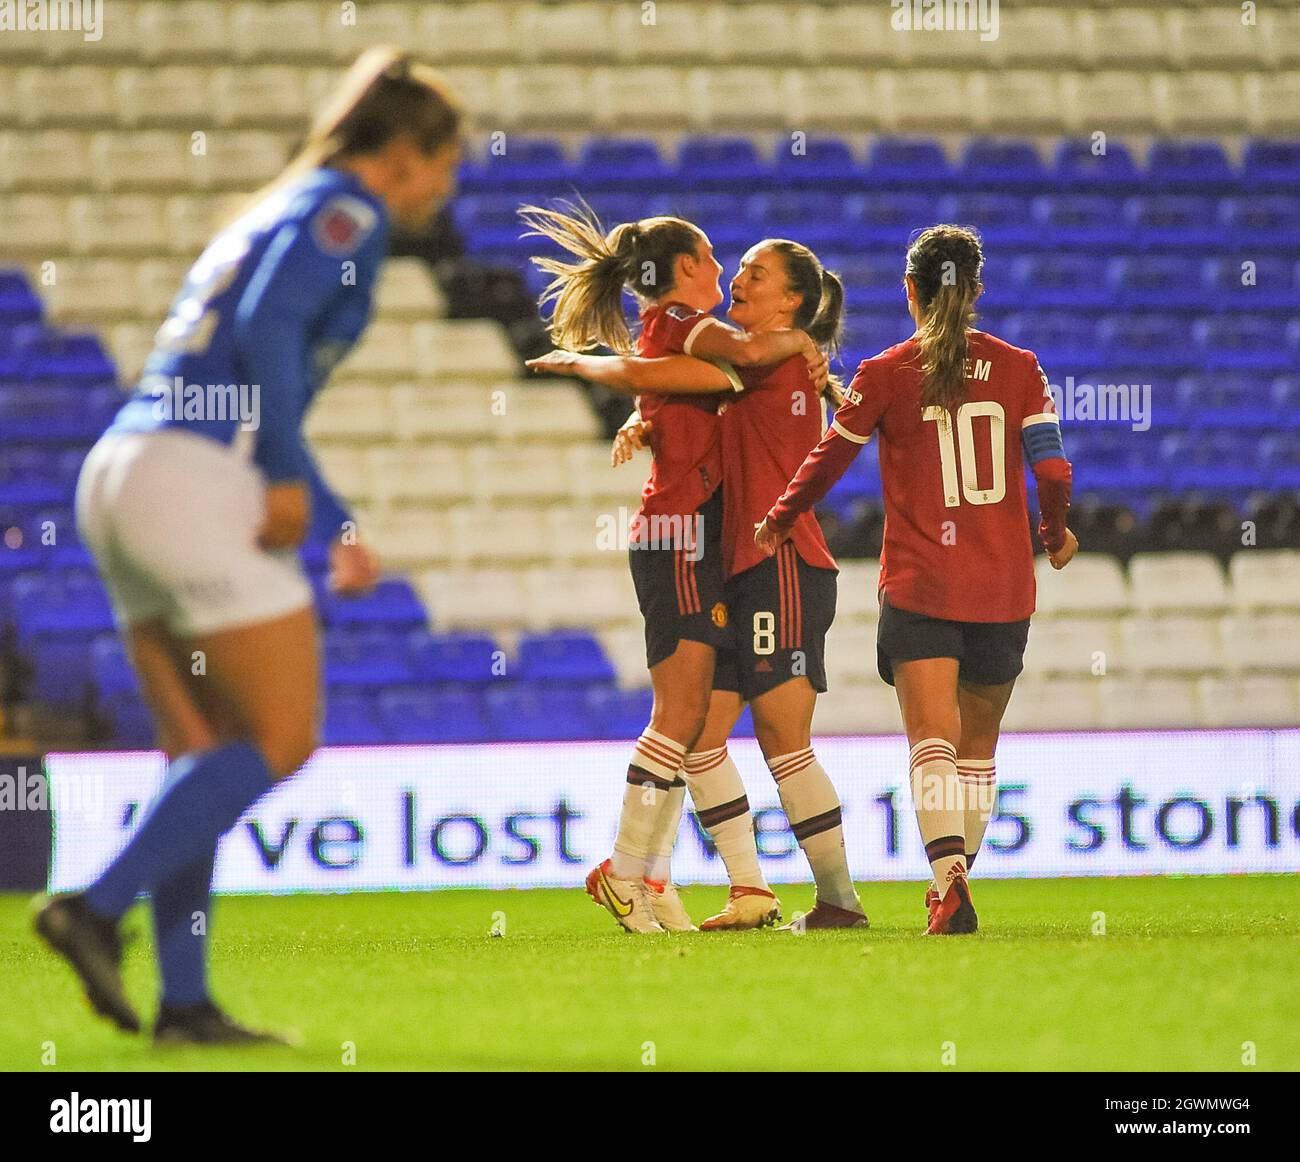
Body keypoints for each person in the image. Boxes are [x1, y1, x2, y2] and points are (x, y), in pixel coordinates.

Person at [33, 48, 462, 1040]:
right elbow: (270, 336)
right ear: (402, 154)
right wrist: (277, 473)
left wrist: (334, 515)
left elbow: (246, 359)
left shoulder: (277, 208)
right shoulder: (344, 216)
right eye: (444, 164)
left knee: (203, 750)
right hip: (195, 478)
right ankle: (93, 909)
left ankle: (184, 1003)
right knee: (280, 739)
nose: (445, 187)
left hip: (129, 472)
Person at [530, 238, 867, 930]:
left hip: (779, 561)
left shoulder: (766, 354)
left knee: (777, 738)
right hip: (727, 561)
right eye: (732, 265)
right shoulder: (755, 352)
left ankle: (838, 901)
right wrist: (645, 416)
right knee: (702, 733)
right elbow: (690, 390)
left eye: (755, 273)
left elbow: (686, 376)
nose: (737, 277)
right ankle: (747, 888)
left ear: (792, 300)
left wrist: (601, 376)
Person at [755, 225, 1078, 935]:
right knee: (978, 750)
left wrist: (781, 515)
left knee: (931, 739)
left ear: (910, 292)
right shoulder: (1022, 368)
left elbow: (829, 459)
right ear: (978, 292)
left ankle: (947, 877)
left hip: (923, 582)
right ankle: (952, 884)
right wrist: (1054, 535)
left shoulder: (886, 371)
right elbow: (1053, 469)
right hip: (1003, 587)